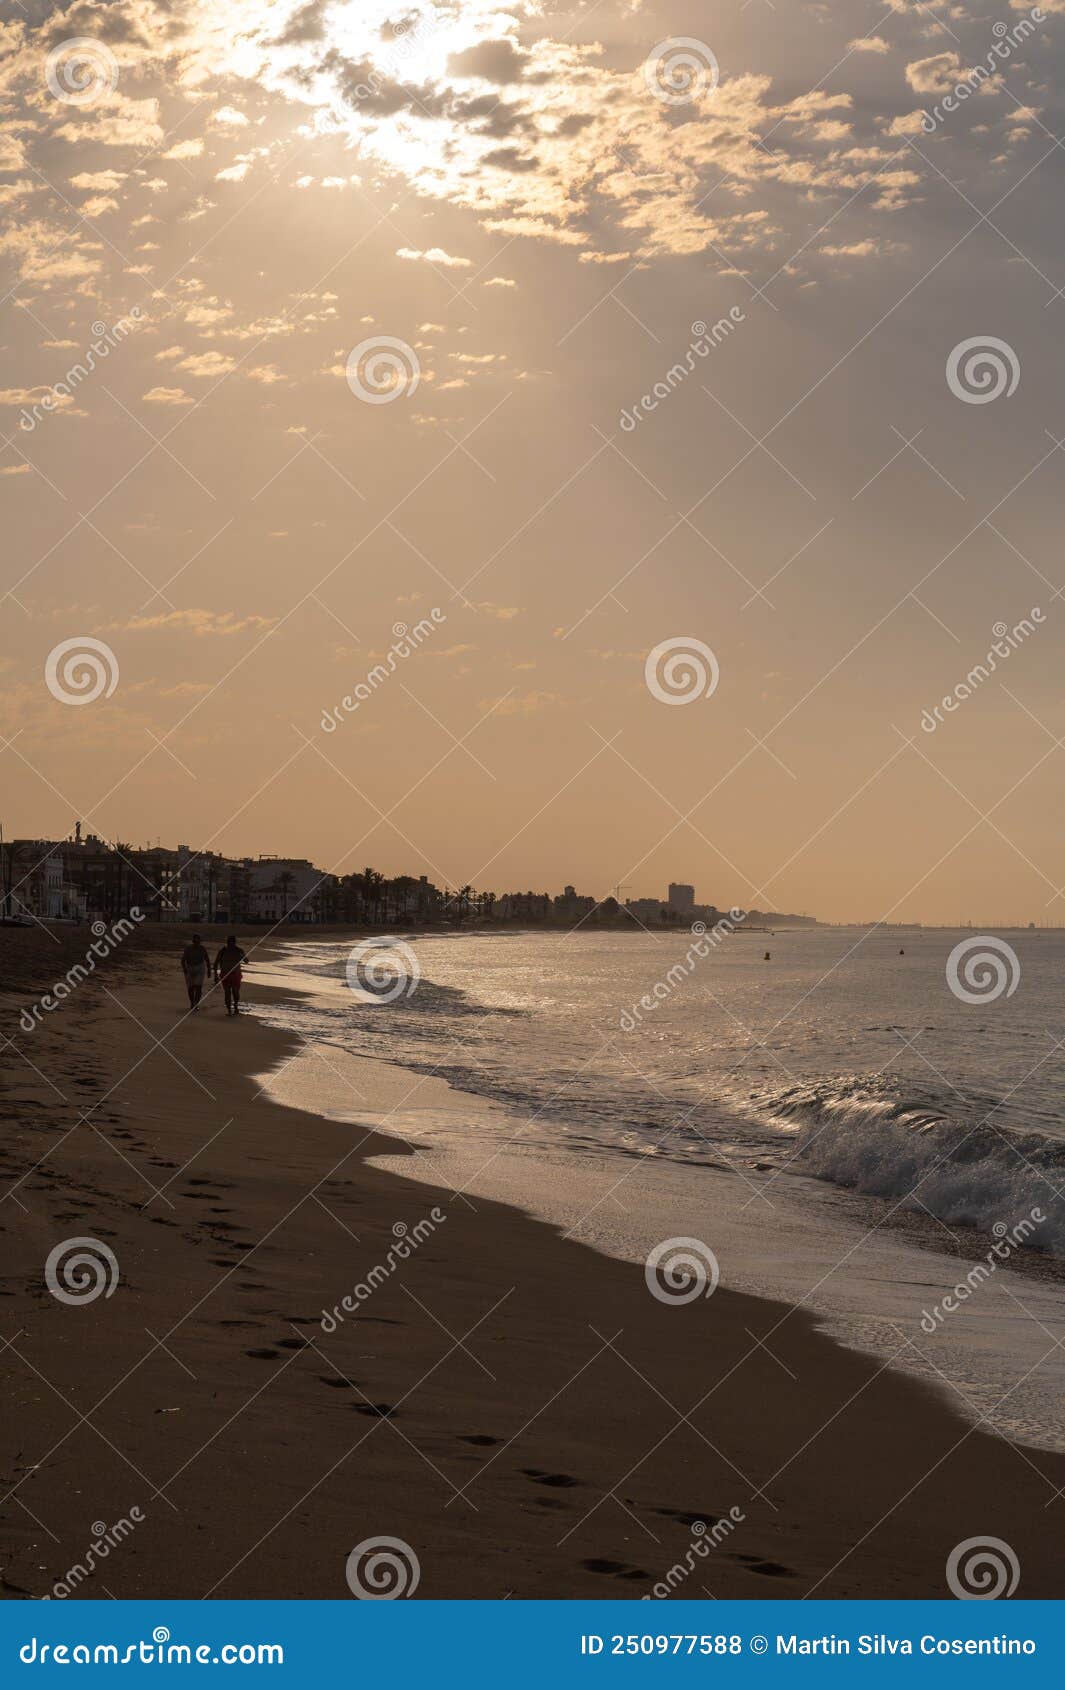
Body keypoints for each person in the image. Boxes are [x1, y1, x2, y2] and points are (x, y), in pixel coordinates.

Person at [214, 934, 247, 1016]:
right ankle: (229, 1010)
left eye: (232, 942)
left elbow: (246, 961)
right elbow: (216, 962)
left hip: (236, 974)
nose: (231, 944)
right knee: (227, 993)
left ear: (235, 943)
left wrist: (242, 956)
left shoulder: (239, 950)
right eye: (230, 943)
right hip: (225, 974)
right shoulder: (223, 951)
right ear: (227, 943)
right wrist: (215, 975)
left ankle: (235, 1006)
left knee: (235, 992)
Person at [181, 934, 211, 1011]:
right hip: (189, 967)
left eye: (198, 941)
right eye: (195, 941)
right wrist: (184, 969)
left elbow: (207, 959)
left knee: (198, 987)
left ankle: (196, 1004)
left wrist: (209, 970)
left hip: (200, 967)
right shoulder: (188, 948)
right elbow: (183, 960)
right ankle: (192, 1003)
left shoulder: (202, 949)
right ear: (193, 941)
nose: (196, 943)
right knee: (190, 987)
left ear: (200, 942)